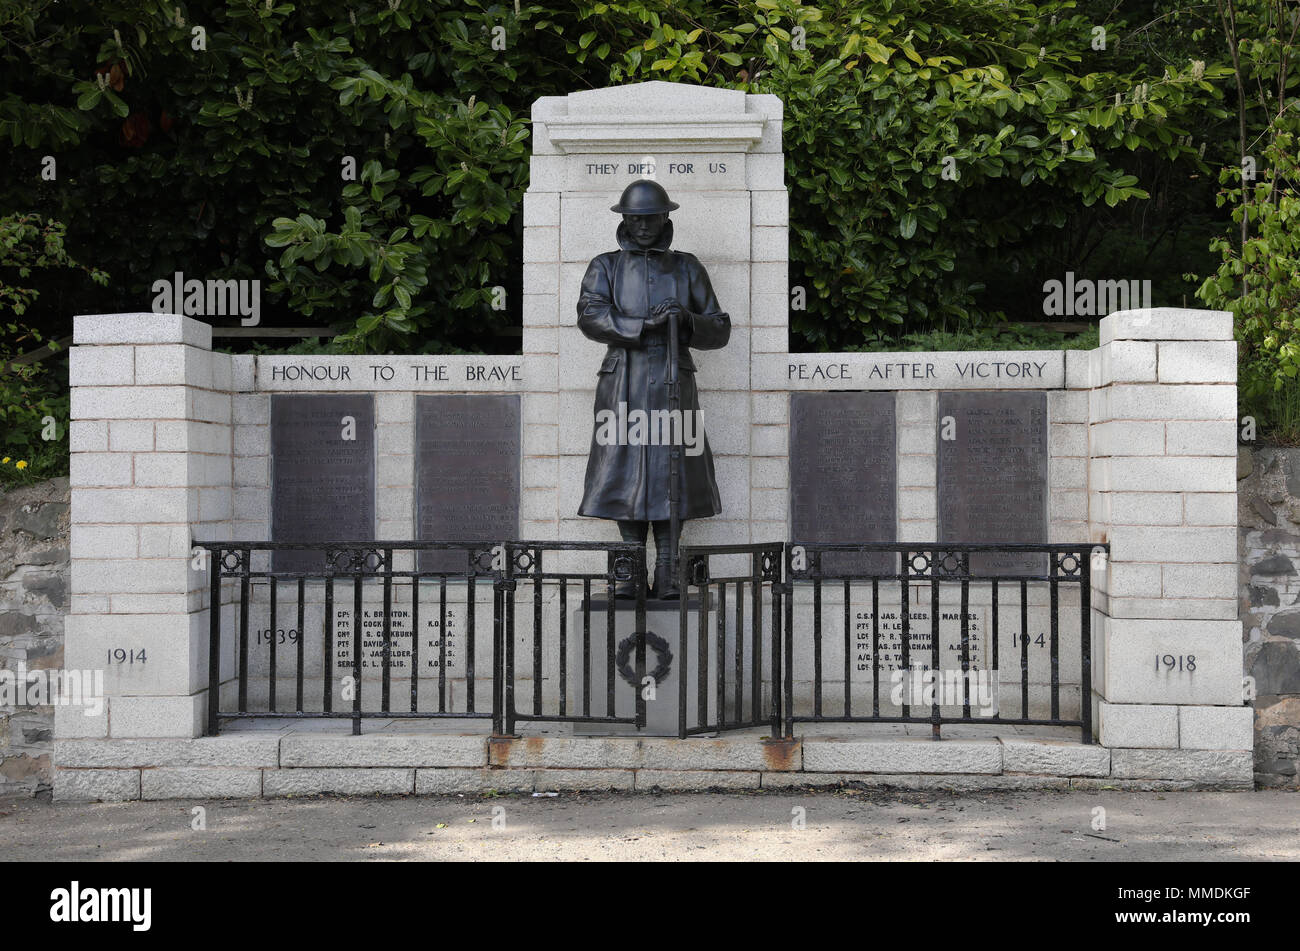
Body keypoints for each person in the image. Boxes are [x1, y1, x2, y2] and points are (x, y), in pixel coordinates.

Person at [576, 180, 730, 599]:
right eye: (636, 218)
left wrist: (685, 318)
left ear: (666, 218)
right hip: (623, 380)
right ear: (624, 219)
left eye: (651, 217)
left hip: (672, 379)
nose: (643, 226)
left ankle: (667, 568)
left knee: (673, 469)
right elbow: (591, 315)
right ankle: (628, 566)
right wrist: (644, 324)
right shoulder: (604, 266)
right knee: (621, 469)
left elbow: (719, 328)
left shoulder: (687, 267)